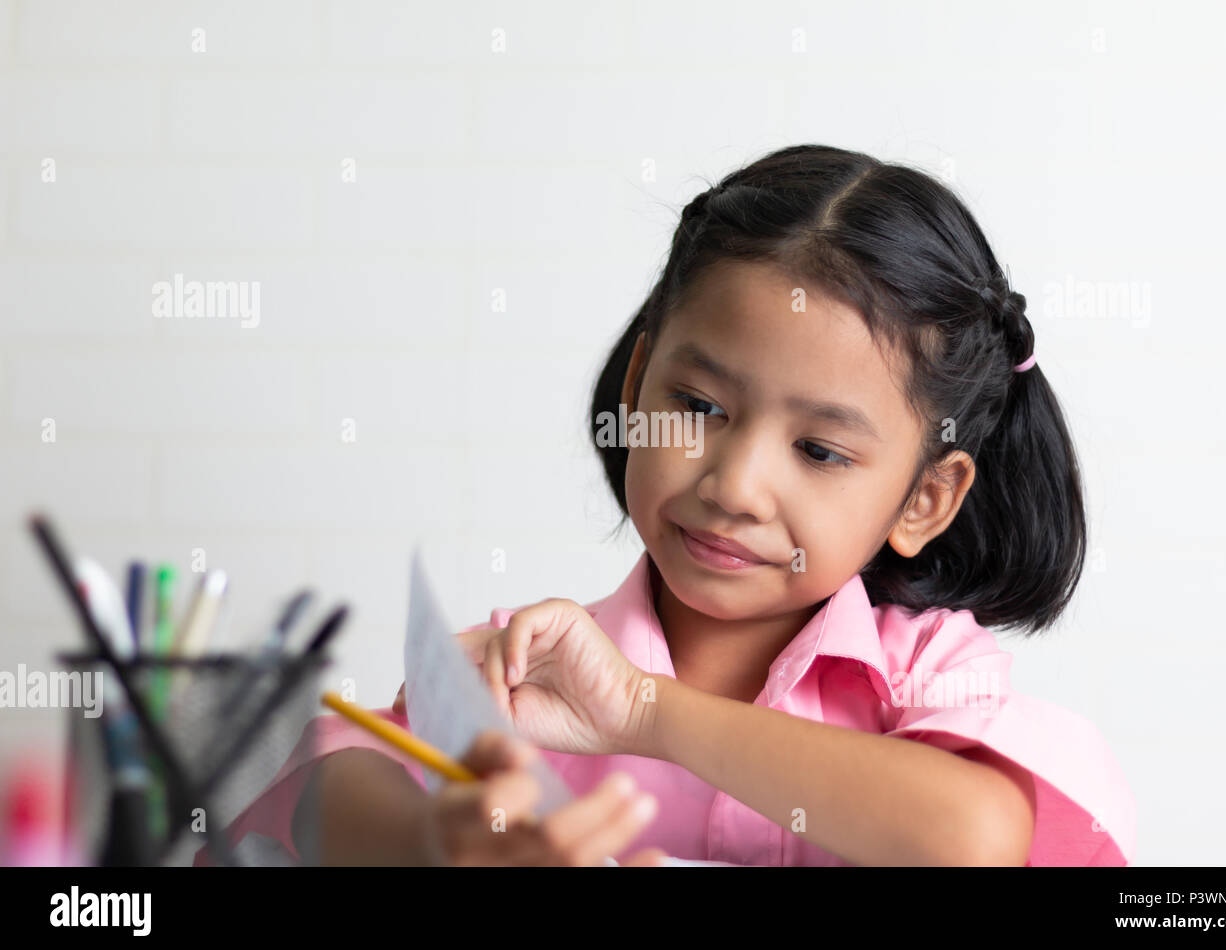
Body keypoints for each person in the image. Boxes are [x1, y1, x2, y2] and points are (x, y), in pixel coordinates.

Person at [204, 144, 1136, 866]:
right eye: (699, 408)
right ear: (639, 381)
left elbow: (970, 837)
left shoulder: (925, 677)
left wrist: (644, 715)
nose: (733, 486)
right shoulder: (529, 666)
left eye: (819, 450)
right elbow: (322, 786)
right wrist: (438, 845)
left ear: (926, 497)